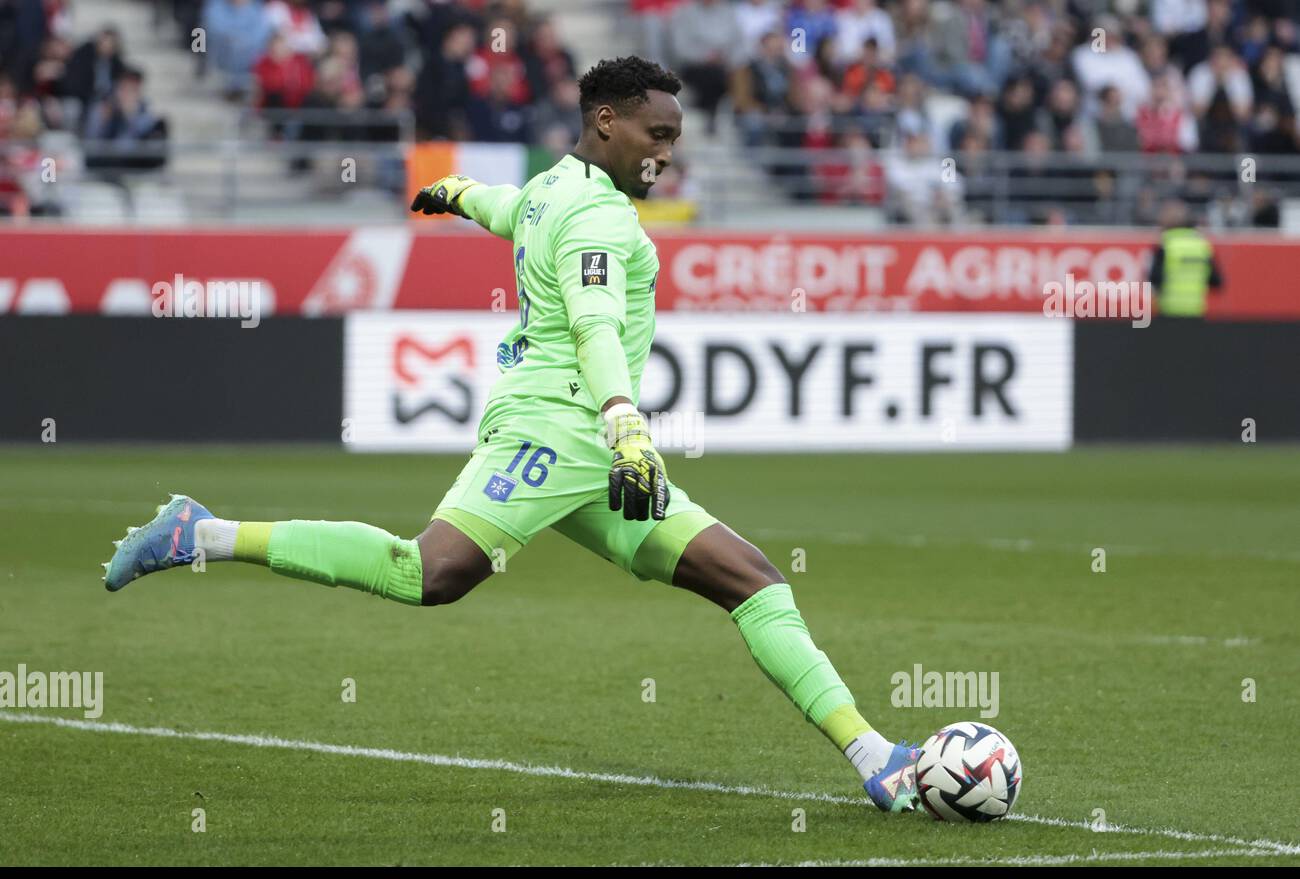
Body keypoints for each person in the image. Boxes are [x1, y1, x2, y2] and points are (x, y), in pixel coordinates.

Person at [102, 56, 922, 813]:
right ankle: (197, 532)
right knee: (428, 572)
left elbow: (507, 210)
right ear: (607, 122)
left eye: (674, 137)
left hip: (588, 445)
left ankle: (874, 757)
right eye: (656, 134)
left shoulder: (547, 189)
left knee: (750, 579)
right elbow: (597, 322)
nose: (667, 153)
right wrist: (626, 425)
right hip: (565, 430)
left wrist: (454, 193)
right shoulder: (601, 219)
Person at [1148, 199, 1224, 319]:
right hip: (1196, 313)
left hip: (1169, 312)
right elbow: (1216, 282)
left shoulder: (1165, 244)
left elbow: (1154, 279)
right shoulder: (1202, 245)